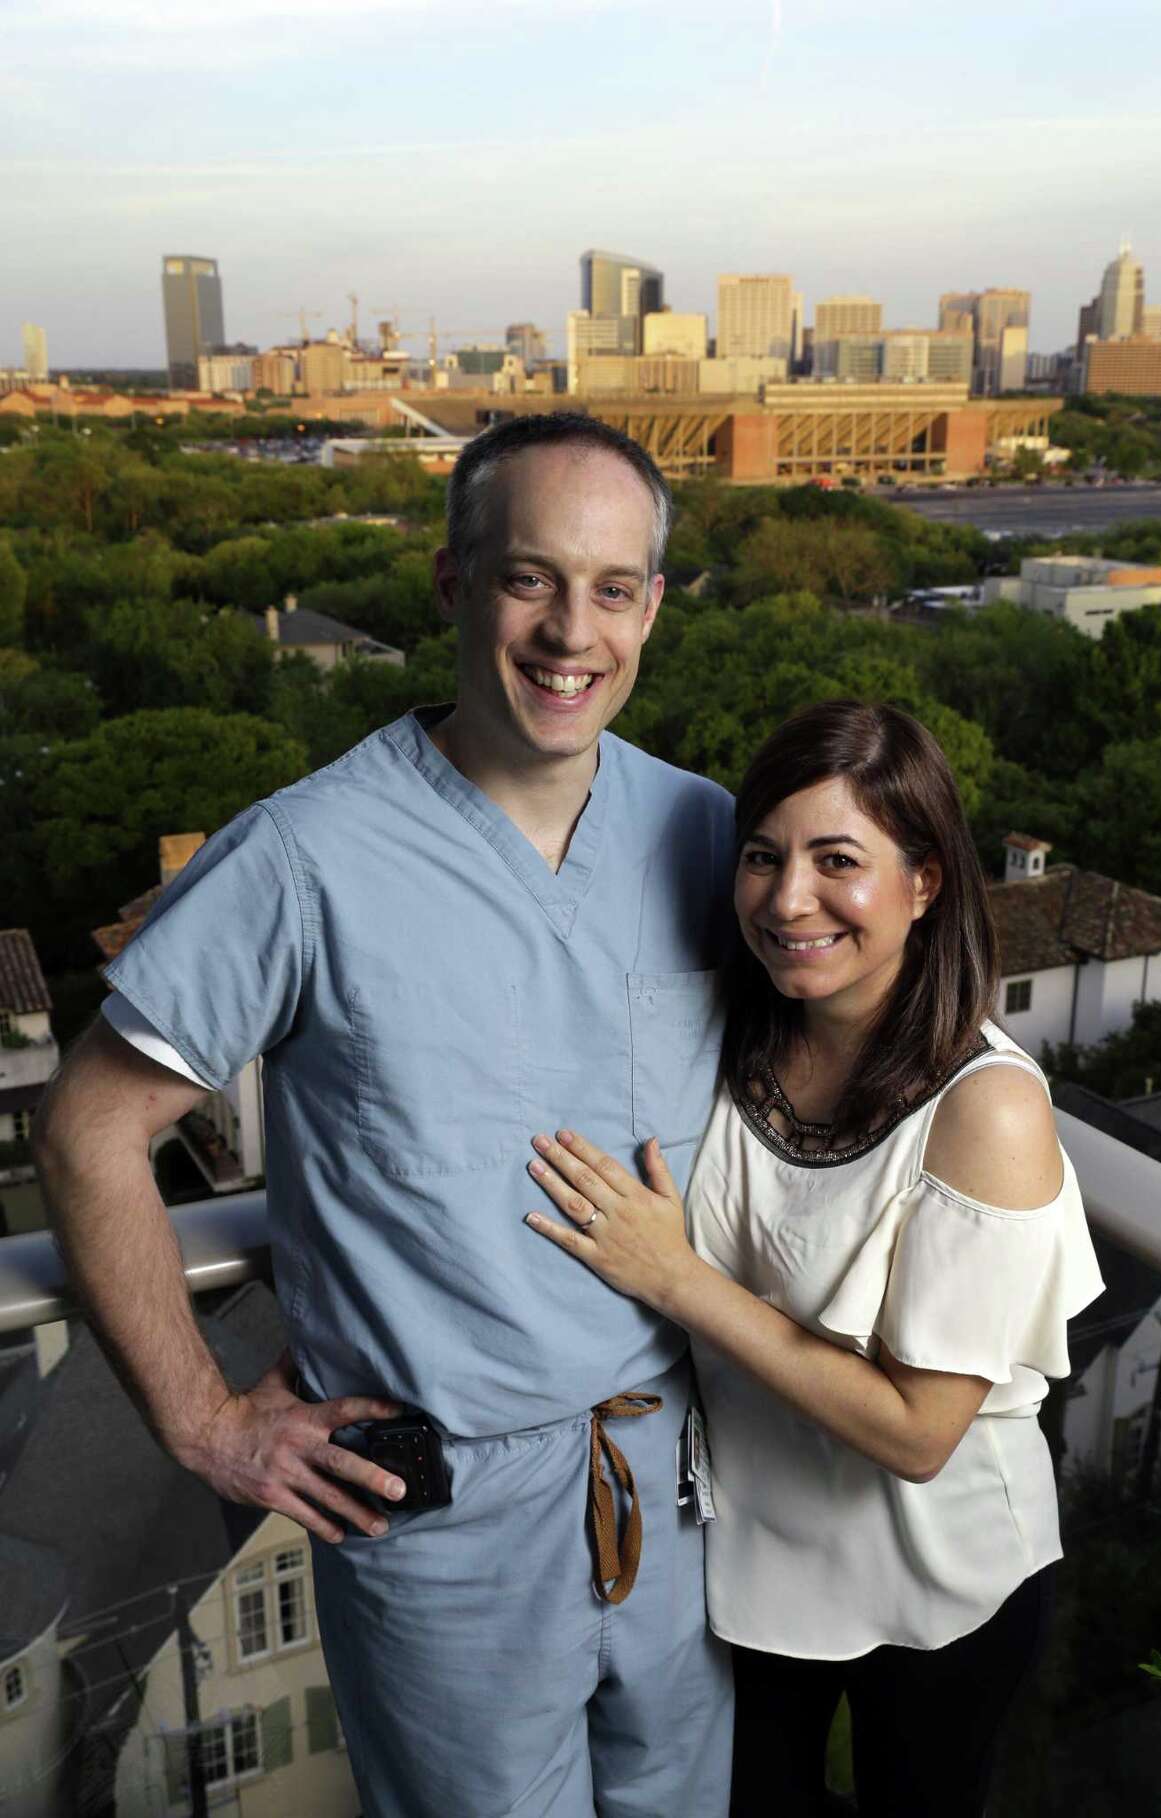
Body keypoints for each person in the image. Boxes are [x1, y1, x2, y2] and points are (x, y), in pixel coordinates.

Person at [34, 413, 735, 1818]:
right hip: (442, 1526)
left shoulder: (707, 830)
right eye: (529, 577)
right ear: (452, 582)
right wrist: (206, 1422)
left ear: (652, 604)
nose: (569, 631)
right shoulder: (307, 856)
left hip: (676, 1489)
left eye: (611, 587)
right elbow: (87, 1130)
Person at [523, 699, 1105, 1818]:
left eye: (839, 860)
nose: (790, 899)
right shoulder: (733, 1032)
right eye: (762, 857)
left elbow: (918, 1432)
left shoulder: (986, 1110)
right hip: (753, 1564)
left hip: (942, 1582)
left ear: (924, 881)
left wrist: (678, 1280)